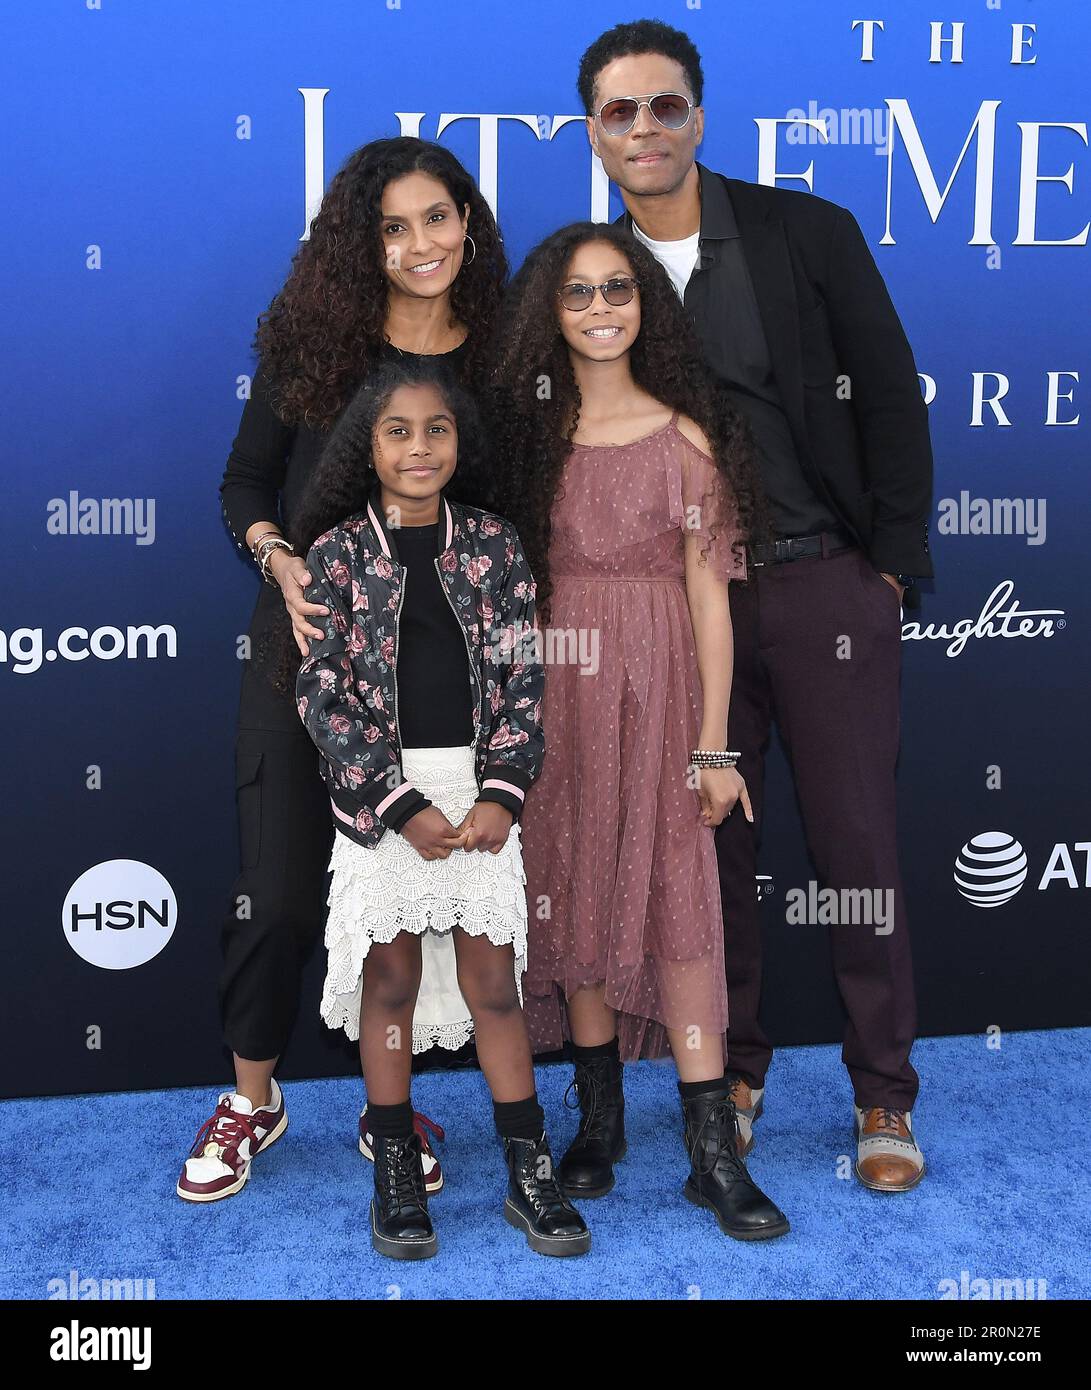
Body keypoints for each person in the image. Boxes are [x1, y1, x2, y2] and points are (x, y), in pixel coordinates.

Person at [577, 19, 934, 1191]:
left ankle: (881, 1097)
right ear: (593, 131)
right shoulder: (590, 277)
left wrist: (882, 567)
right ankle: (729, 1074)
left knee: (854, 848)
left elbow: (889, 396)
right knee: (710, 856)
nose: (643, 129)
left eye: (663, 106)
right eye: (619, 112)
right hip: (688, 605)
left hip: (823, 580)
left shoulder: (803, 232)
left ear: (698, 115)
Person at [178, 137, 507, 1203]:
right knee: (275, 898)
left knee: (405, 910)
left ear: (468, 220)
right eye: (392, 227)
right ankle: (253, 1099)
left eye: (437, 218)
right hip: (302, 656)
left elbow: (512, 522)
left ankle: (390, 1106)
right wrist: (276, 557)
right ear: (359, 244)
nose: (419, 245)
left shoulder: (503, 357)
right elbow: (241, 484)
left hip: (437, 692)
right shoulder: (313, 344)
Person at [488, 220, 789, 1241]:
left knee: (674, 895)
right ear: (548, 314)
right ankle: (598, 1119)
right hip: (554, 697)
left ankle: (711, 1154)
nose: (600, 309)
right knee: (570, 878)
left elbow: (711, 603)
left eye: (617, 289)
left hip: (662, 700)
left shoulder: (689, 438)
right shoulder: (528, 443)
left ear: (644, 304)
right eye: (576, 294)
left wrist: (713, 747)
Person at [289, 356, 590, 1259]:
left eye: (436, 431)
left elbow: (522, 680)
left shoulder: (495, 544)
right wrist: (397, 802)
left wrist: (500, 792)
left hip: (478, 793)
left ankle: (527, 1171)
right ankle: (394, 1167)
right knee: (389, 981)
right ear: (367, 447)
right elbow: (322, 695)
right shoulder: (337, 554)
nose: (418, 448)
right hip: (382, 799)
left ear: (459, 442)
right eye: (397, 432)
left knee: (493, 985)